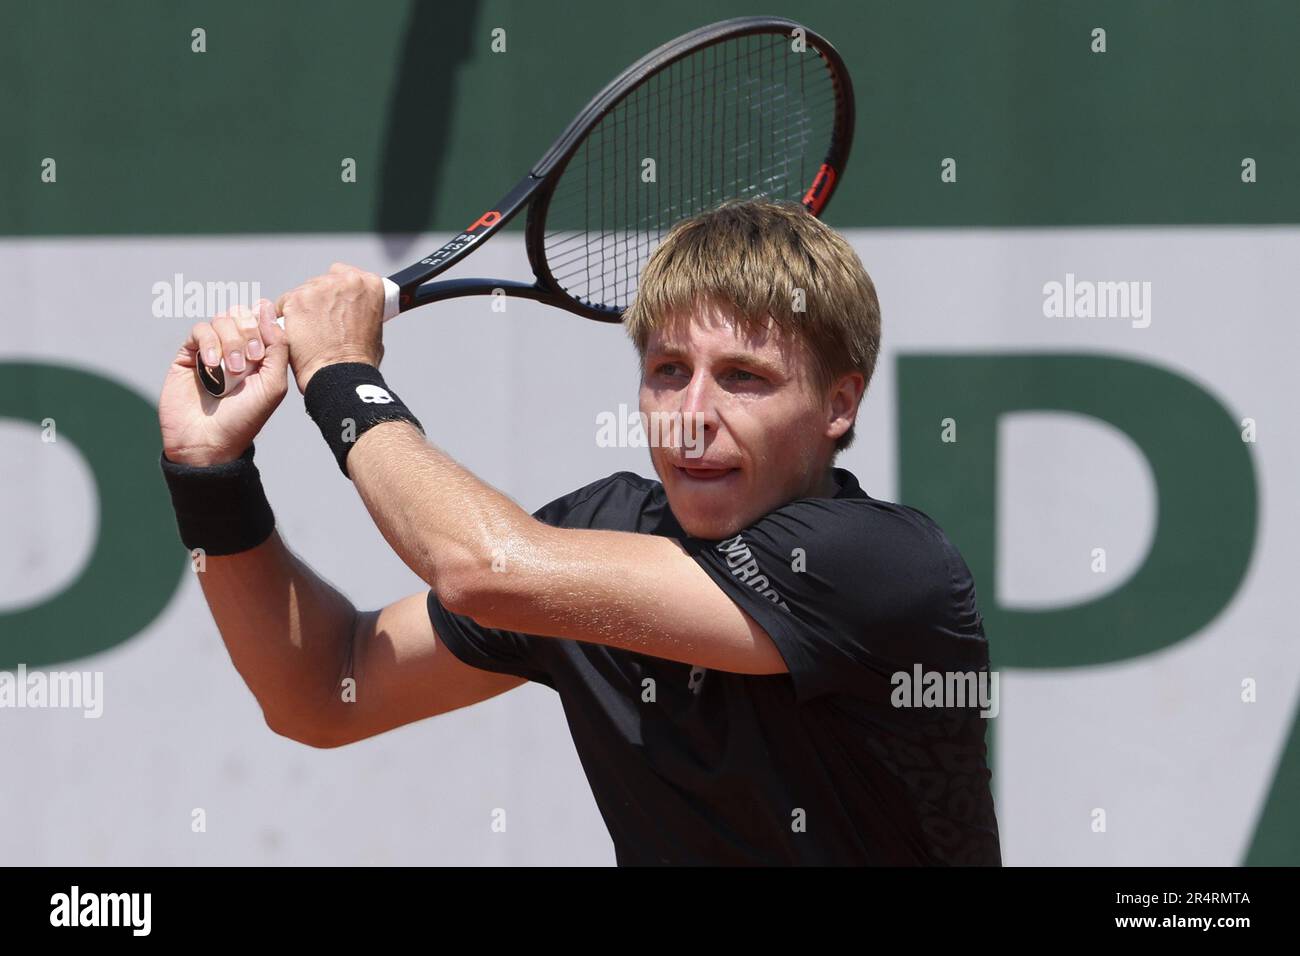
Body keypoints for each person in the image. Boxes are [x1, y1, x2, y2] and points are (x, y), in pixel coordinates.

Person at [157, 198, 1002, 865]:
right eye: (668, 373)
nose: (690, 418)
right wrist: (211, 477)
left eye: (744, 378)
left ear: (840, 404)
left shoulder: (885, 567)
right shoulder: (599, 532)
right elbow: (323, 690)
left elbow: (485, 567)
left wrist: (343, 375)